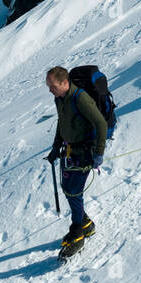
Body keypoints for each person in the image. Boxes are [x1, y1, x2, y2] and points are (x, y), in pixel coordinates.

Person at [45, 65, 108, 259]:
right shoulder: (60, 98)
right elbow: (61, 121)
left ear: (64, 83)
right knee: (67, 187)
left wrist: (98, 153)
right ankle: (85, 223)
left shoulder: (80, 98)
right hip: (69, 150)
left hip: (85, 151)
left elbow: (100, 123)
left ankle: (78, 231)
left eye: (52, 86)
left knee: (74, 190)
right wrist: (56, 147)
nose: (50, 90)